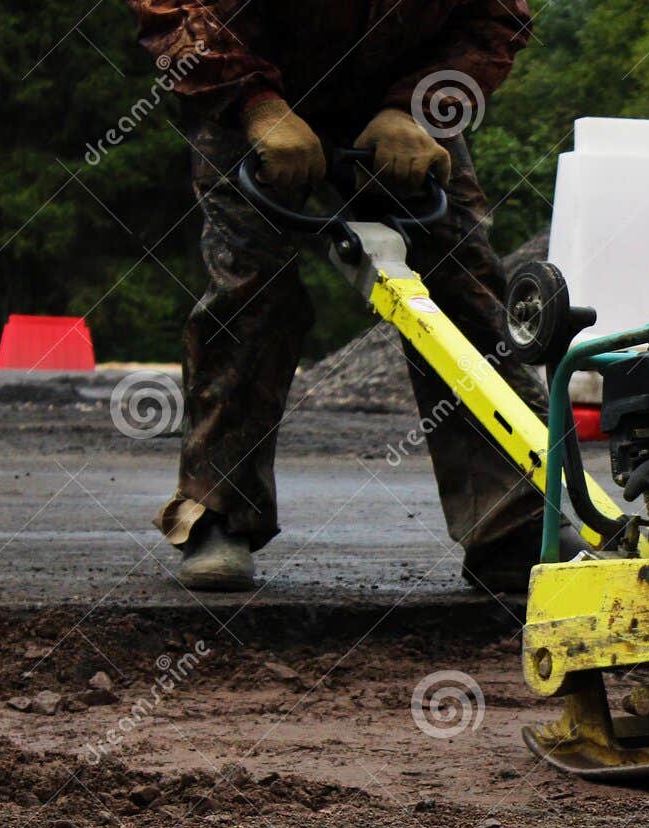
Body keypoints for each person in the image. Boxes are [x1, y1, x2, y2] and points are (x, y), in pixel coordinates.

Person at [123, 1, 550, 592]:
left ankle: (517, 527)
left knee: (464, 284)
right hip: (244, 87)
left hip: (397, 104)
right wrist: (258, 105)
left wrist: (416, 108)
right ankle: (217, 515)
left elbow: (494, 18)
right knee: (252, 289)